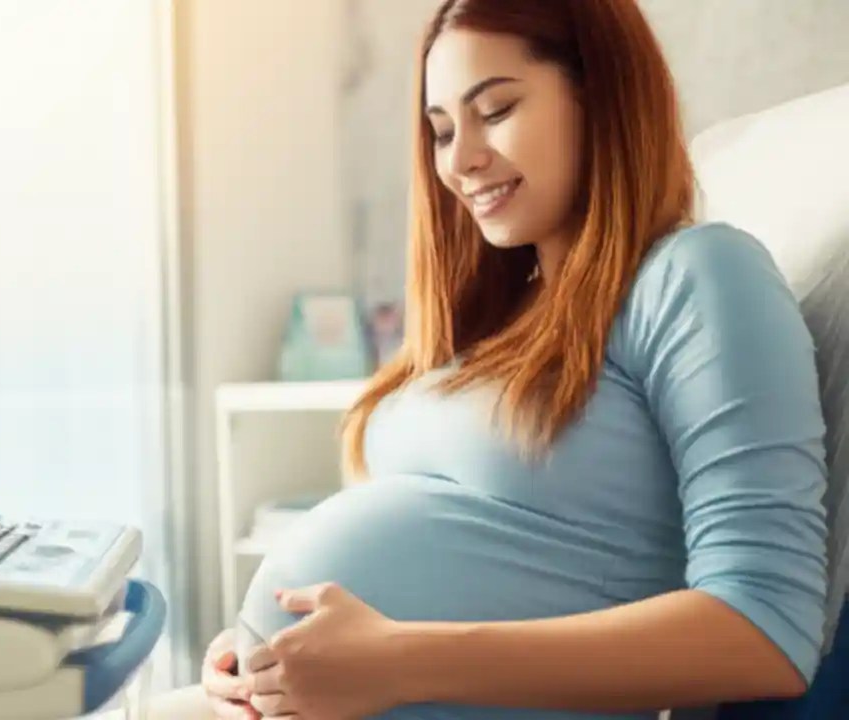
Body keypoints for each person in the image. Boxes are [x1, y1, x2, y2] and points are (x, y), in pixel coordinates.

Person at [187, 0, 831, 718]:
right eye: (440, 131)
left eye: (494, 110)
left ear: (598, 91)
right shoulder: (493, 317)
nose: (459, 161)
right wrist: (257, 659)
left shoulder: (697, 275)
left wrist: (400, 661)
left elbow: (766, 628)